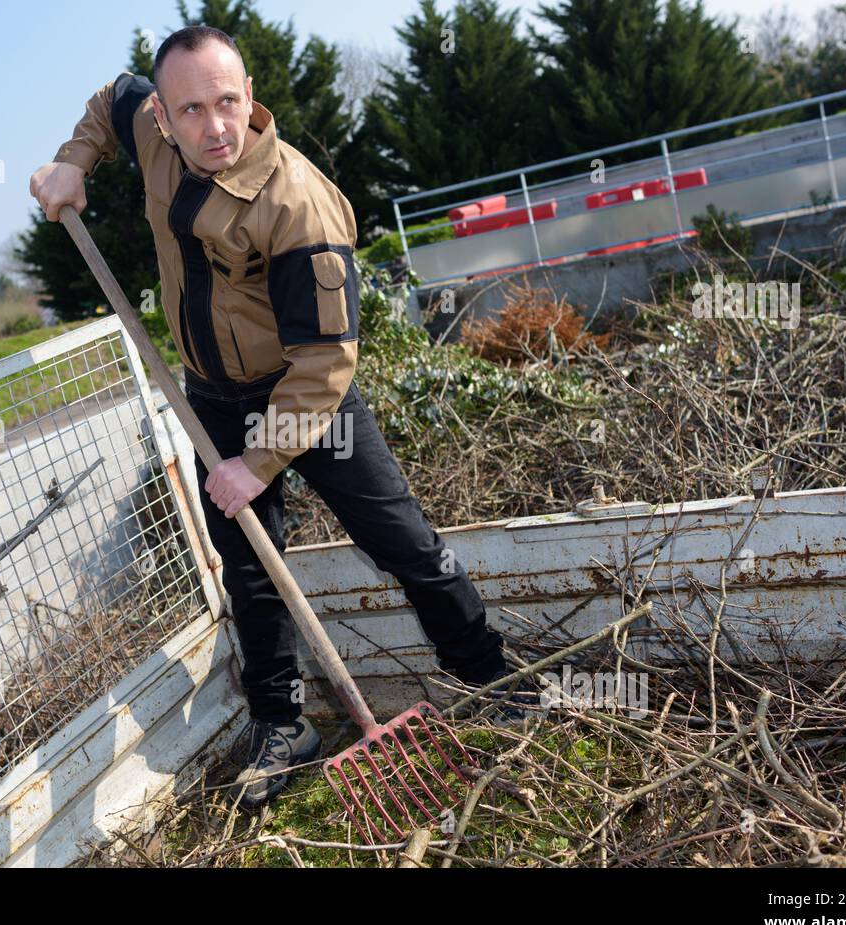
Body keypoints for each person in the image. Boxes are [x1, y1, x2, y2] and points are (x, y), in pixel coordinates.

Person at [30, 25, 531, 809]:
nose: (215, 126)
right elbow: (109, 96)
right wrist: (73, 158)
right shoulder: (148, 127)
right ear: (163, 117)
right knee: (250, 569)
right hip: (213, 395)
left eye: (228, 102)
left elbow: (327, 363)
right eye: (191, 110)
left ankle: (496, 678)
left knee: (400, 540)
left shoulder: (299, 204)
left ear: (251, 98)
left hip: (304, 395)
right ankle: (282, 727)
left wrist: (255, 464)